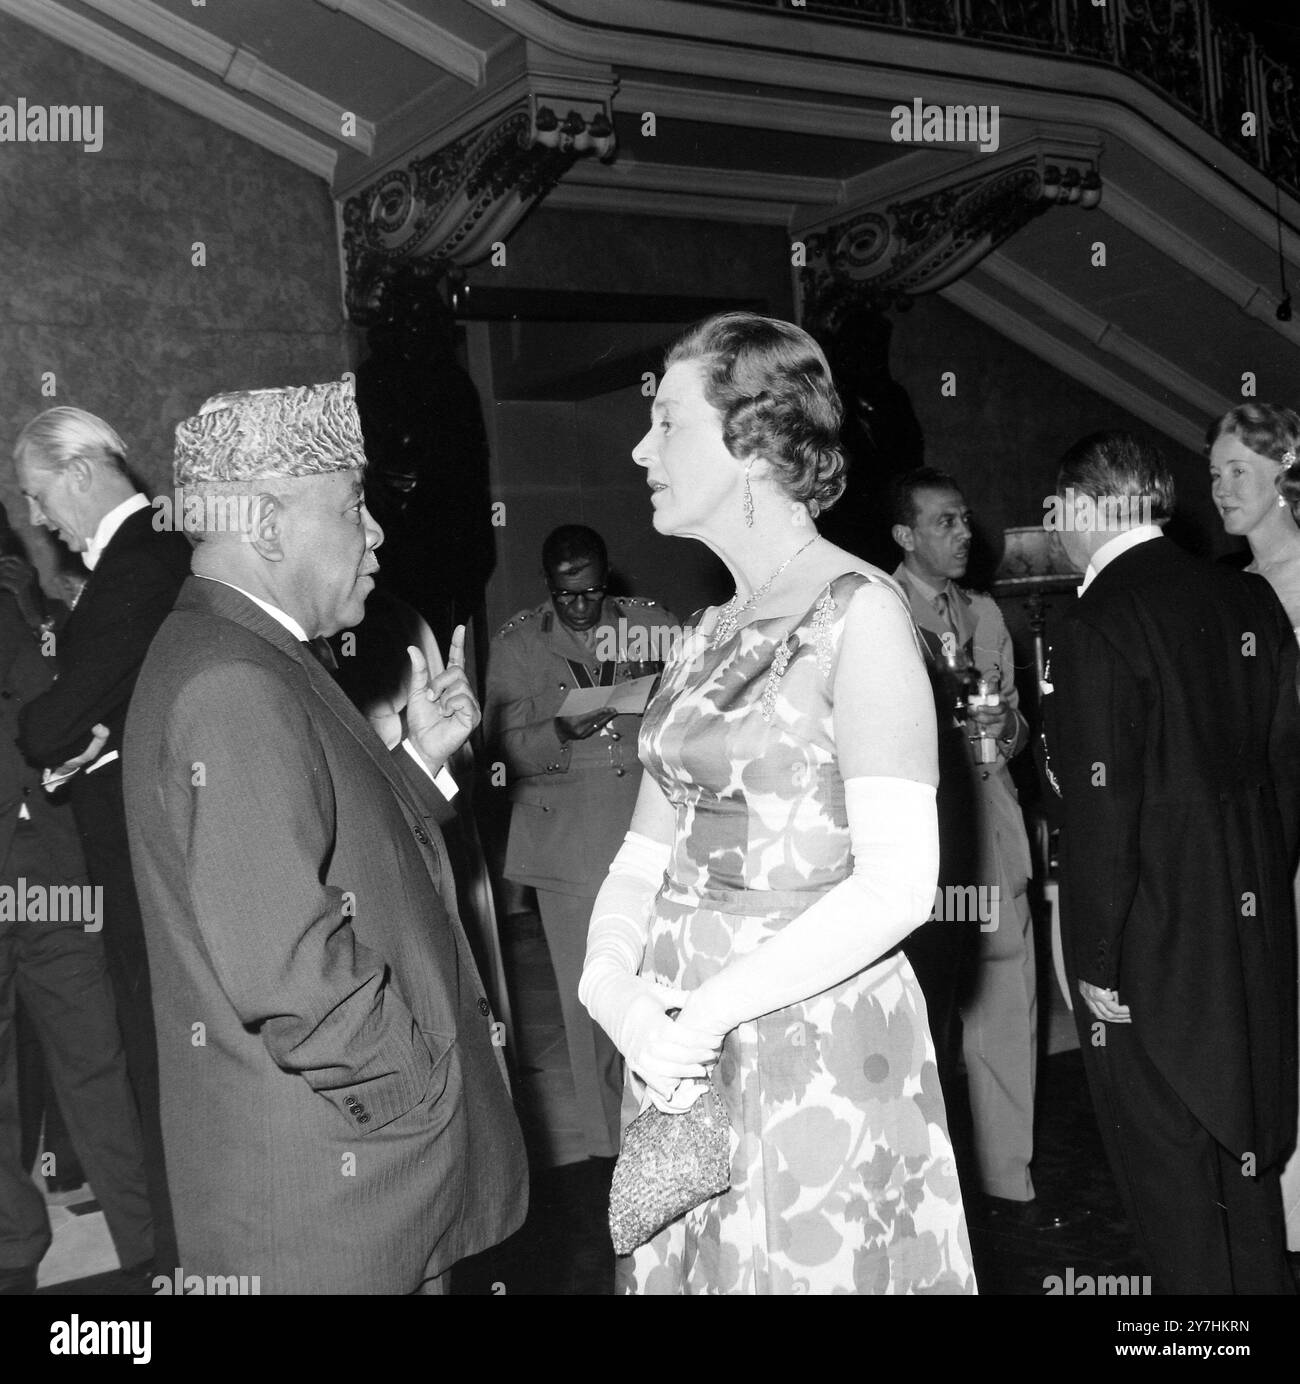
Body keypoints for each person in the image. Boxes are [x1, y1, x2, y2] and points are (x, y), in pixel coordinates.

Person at [581, 312, 975, 1294]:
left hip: (808, 1037)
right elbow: (644, 849)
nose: (640, 447)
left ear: (751, 441)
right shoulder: (708, 627)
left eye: (665, 423)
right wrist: (611, 991)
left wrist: (699, 1014)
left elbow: (897, 885)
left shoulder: (861, 613)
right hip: (679, 1044)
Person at [123, 380, 527, 1294]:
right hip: (340, 1198)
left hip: (347, 1189)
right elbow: (285, 962)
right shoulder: (232, 682)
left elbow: (321, 849)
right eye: (352, 505)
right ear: (267, 527)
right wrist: (417, 1089)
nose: (377, 532)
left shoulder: (238, 651)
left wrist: (420, 763)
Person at [1045, 430, 1300, 1294]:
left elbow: (1102, 810)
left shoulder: (1097, 618)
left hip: (1147, 943)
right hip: (1249, 928)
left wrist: (1099, 959)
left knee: (1168, 1184)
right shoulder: (1246, 599)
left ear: (1084, 506)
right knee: (1246, 1162)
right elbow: (1286, 768)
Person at [13, 407, 191, 1267]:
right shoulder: (150, 555)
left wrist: (58, 738)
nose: (39, 520)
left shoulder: (142, 561)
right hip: (135, 855)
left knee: (155, 1065)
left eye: (39, 496)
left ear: (80, 472)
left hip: (144, 863)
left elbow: (50, 725)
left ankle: (173, 1259)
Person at [891, 470, 1058, 1228]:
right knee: (925, 1019)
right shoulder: (881, 614)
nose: (963, 533)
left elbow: (1019, 729)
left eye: (964, 519)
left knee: (1009, 1002)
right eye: (944, 522)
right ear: (905, 536)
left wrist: (1002, 726)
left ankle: (1006, 1180)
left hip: (994, 831)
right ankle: (922, 1187)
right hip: (927, 844)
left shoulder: (987, 615)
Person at [485, 525, 677, 1160]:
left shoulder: (650, 622)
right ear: (549, 587)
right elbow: (500, 754)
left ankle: (677, 1130)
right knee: (591, 1004)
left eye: (592, 590)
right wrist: (560, 729)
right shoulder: (517, 645)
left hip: (652, 829)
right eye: (567, 595)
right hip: (568, 842)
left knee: (669, 991)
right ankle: (610, 1152)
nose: (582, 605)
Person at [0, 522, 154, 1295]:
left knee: (86, 1062)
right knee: (83, 1064)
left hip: (42, 867)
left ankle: (117, 1251)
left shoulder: (35, 611)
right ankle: (114, 1243)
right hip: (44, 864)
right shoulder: (37, 610)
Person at [1207, 401, 1300, 1253]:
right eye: (1213, 474)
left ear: (1285, 476)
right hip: (1264, 843)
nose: (1220, 489)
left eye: (1237, 471)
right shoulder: (1228, 594)